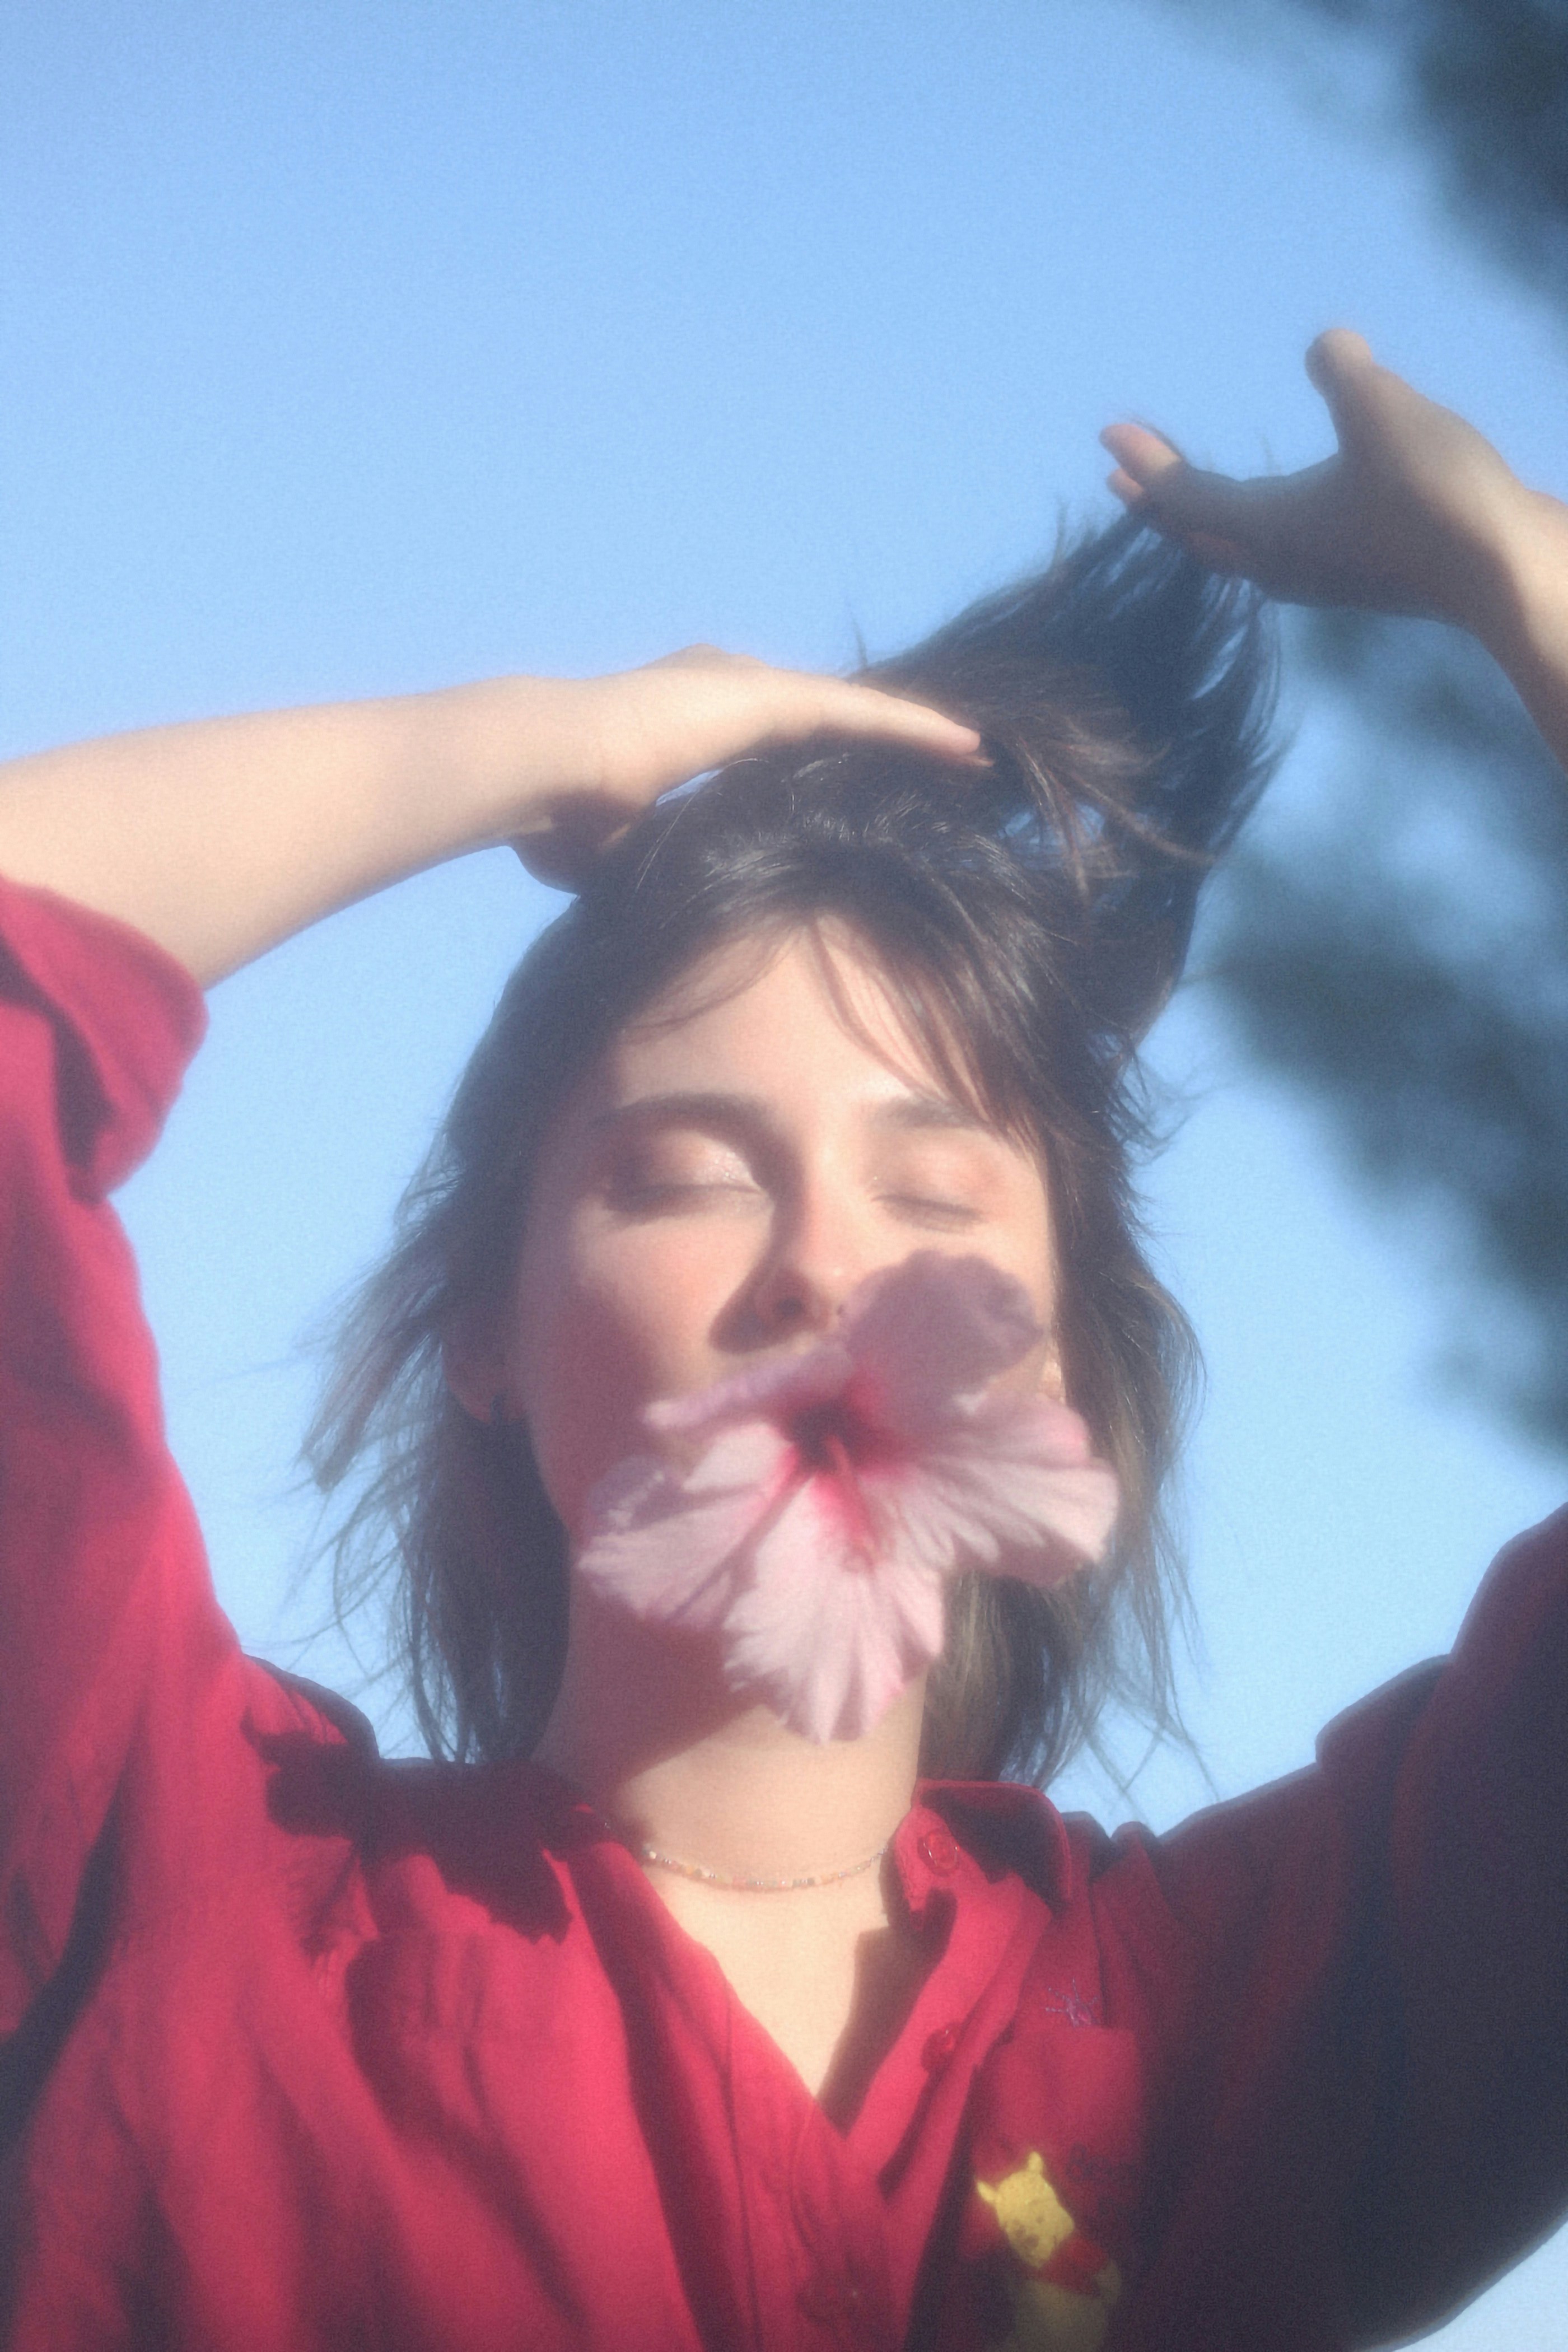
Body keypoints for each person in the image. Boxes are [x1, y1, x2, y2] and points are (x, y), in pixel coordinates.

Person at [0, 330, 1562, 2350]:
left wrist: (1516, 576)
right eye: (685, 1170)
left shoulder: (1257, 2022)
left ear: (1060, 1364)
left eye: (936, 1193)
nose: (827, 1265)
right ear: (482, 1323)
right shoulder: (177, 1883)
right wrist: (533, 741)